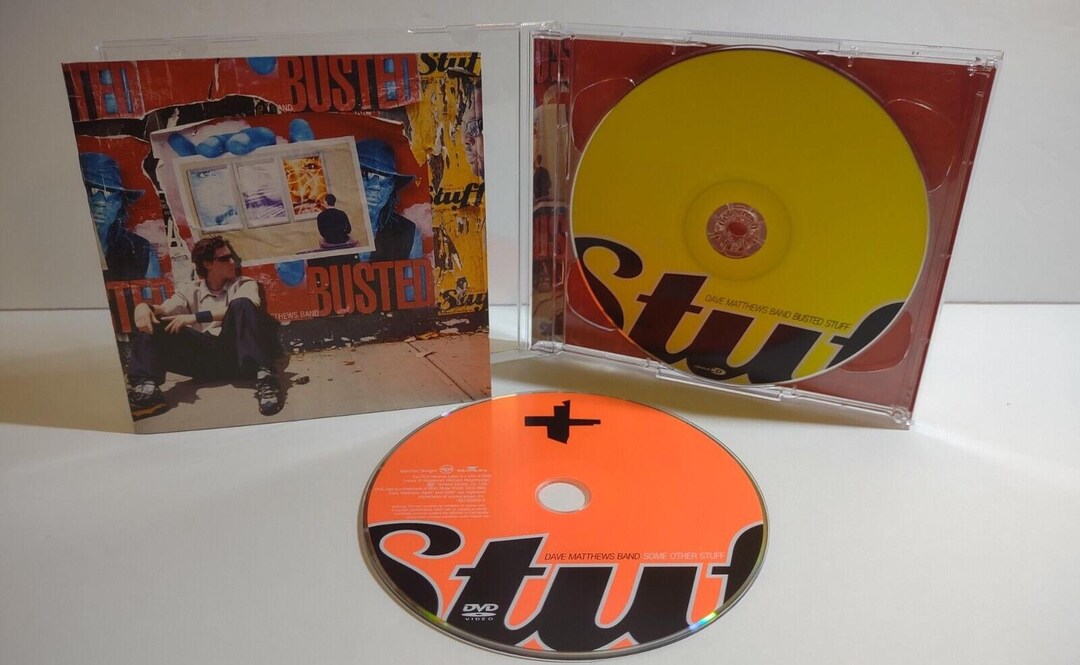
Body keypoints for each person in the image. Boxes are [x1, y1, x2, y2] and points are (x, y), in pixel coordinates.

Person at [127, 236, 283, 419]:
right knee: (154, 323)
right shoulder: (189, 290)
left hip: (237, 356)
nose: (232, 262)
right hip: (205, 362)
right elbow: (164, 309)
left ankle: (266, 380)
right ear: (208, 264)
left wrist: (194, 317)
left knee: (241, 304)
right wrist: (143, 307)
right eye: (225, 258)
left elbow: (248, 306)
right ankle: (147, 392)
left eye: (231, 257)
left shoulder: (244, 283)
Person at [80, 152, 162, 281]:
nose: (100, 202)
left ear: (119, 202)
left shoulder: (142, 252)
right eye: (91, 190)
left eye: (109, 193)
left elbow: (154, 292)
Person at [356, 139, 422, 262]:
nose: (375, 186)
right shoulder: (322, 228)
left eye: (384, 179)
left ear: (391, 188)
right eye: (365, 174)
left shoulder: (408, 233)